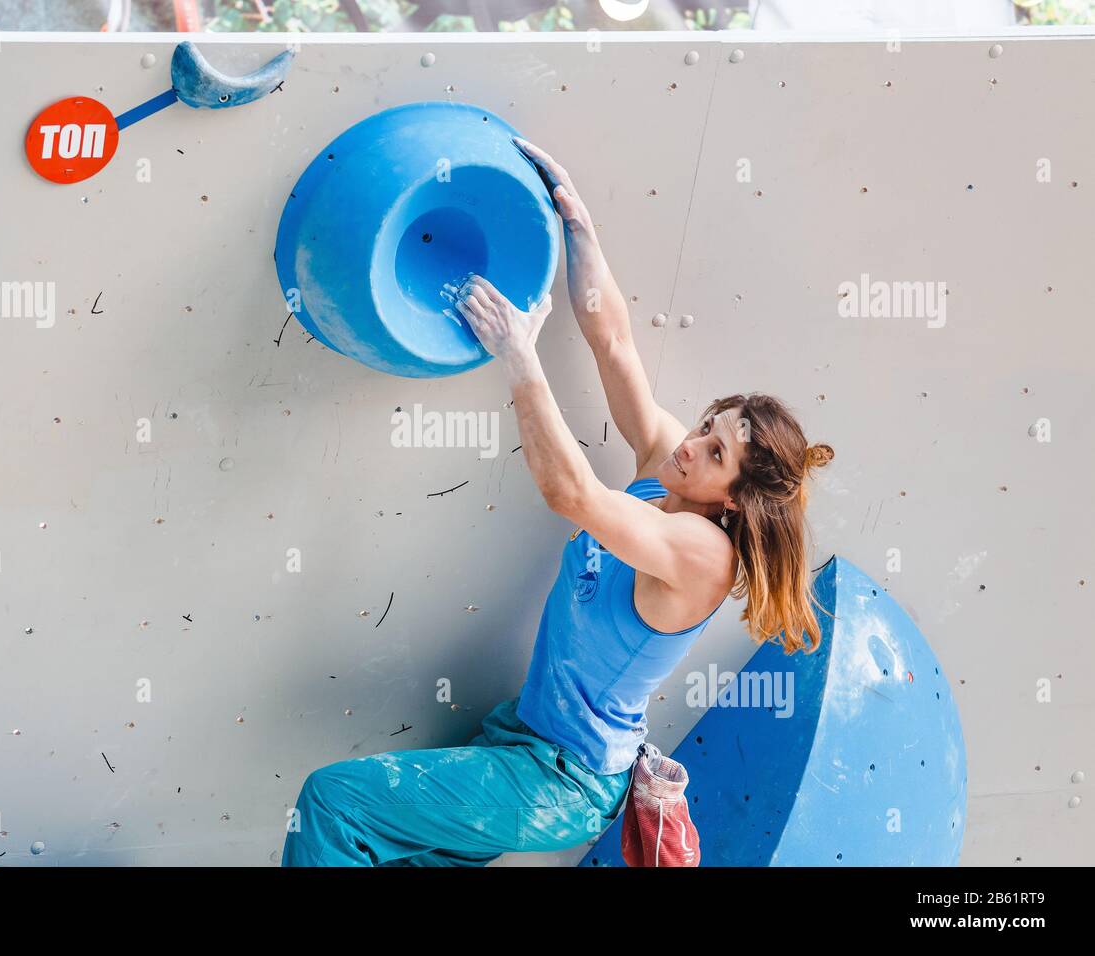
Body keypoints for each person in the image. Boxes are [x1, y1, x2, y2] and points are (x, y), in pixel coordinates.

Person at [280, 136, 835, 867]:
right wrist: (580, 229)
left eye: (717, 452)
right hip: (524, 736)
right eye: (708, 425)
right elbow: (615, 345)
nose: (693, 442)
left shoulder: (702, 554)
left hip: (560, 782)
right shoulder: (668, 474)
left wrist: (520, 355)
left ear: (735, 501)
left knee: (336, 800)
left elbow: (569, 491)